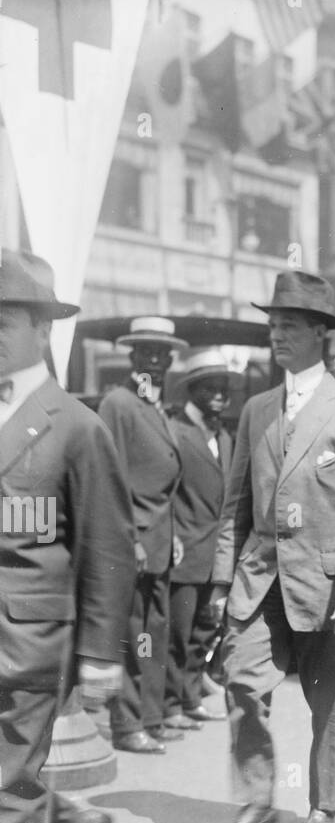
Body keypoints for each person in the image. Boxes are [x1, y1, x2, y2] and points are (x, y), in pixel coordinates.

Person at [210, 272, 335, 823]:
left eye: (288, 326)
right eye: (273, 325)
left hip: (324, 586)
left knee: (325, 701)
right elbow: (235, 504)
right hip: (258, 579)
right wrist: (220, 579)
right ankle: (256, 803)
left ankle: (323, 803)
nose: (276, 335)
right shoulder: (258, 409)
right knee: (241, 682)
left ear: (319, 333)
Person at [0, 250, 134, 823]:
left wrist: (100, 653)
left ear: (40, 329)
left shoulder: (74, 425)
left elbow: (107, 547)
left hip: (27, 639)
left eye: (8, 319)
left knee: (10, 782)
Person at [99, 317, 185, 753]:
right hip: (133, 541)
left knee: (154, 633)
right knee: (134, 636)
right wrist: (126, 536)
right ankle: (127, 723)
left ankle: (150, 717)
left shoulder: (155, 406)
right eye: (147, 351)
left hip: (159, 542)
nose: (156, 358)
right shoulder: (119, 403)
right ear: (132, 356)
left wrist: (172, 534)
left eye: (163, 352)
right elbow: (109, 478)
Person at [163, 348, 235, 730]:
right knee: (177, 631)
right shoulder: (175, 431)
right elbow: (164, 492)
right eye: (212, 388)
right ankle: (169, 704)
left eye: (224, 388)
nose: (221, 395)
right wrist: (171, 534)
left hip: (216, 555)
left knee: (204, 631)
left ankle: (190, 697)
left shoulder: (224, 435)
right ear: (193, 389)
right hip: (184, 551)